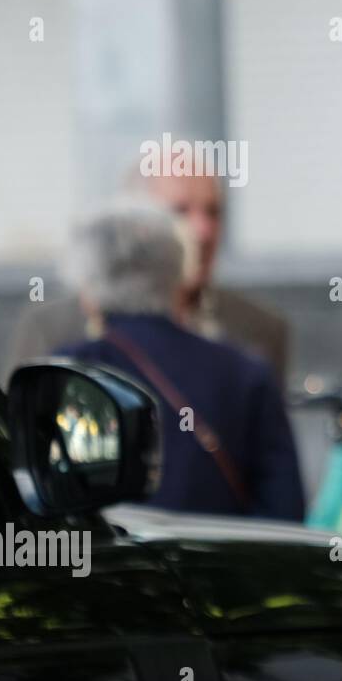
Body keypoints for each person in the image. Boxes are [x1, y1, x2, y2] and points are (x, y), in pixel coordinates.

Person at [55, 202, 305, 522]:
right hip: (217, 568)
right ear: (179, 275)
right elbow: (284, 516)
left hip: (106, 570)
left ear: (88, 286)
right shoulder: (245, 372)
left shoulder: (65, 373)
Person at [9, 153, 289, 387]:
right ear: (135, 226)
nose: (204, 231)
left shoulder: (260, 331)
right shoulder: (51, 330)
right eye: (180, 211)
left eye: (213, 212)